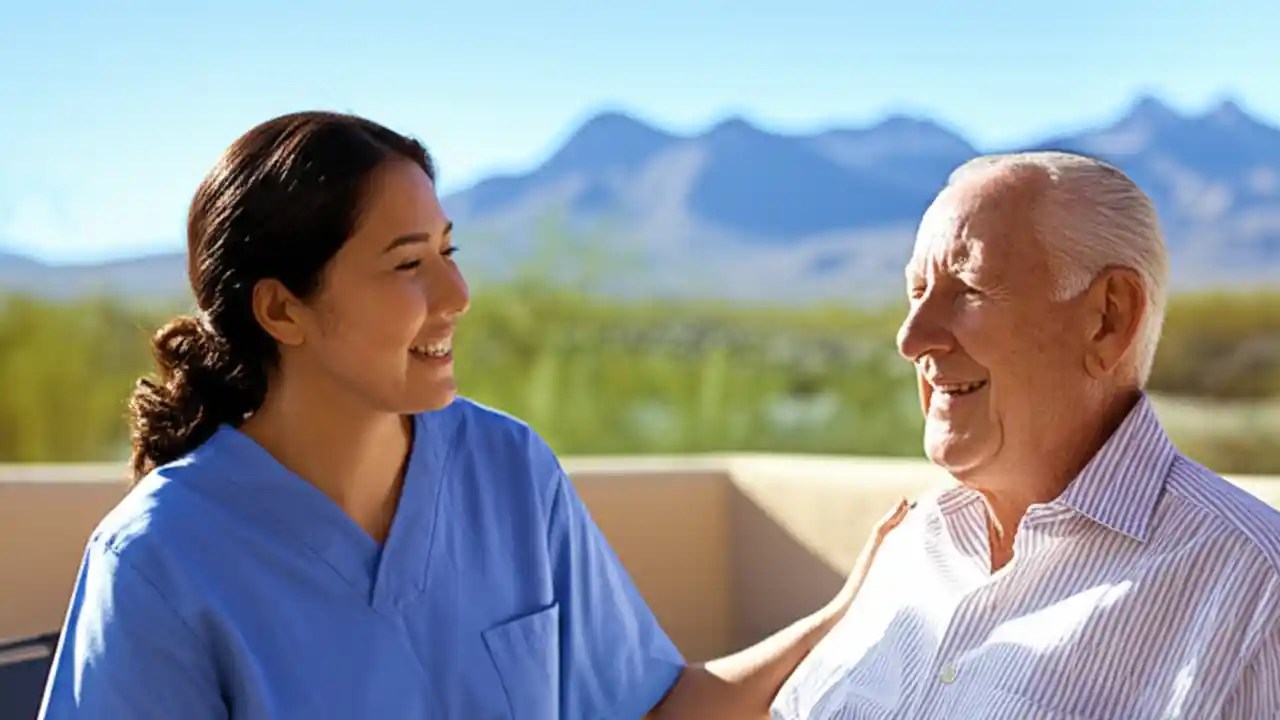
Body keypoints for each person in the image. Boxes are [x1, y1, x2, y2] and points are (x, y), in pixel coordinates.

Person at [38, 111, 907, 720]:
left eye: (448, 251)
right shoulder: (158, 560)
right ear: (282, 311)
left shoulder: (508, 470)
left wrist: (852, 611)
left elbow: (654, 706)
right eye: (407, 263)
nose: (456, 294)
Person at [773, 151, 1280, 719]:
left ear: (1108, 318)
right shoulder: (913, 544)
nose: (912, 339)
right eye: (917, 293)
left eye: (967, 288)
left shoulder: (1256, 591)